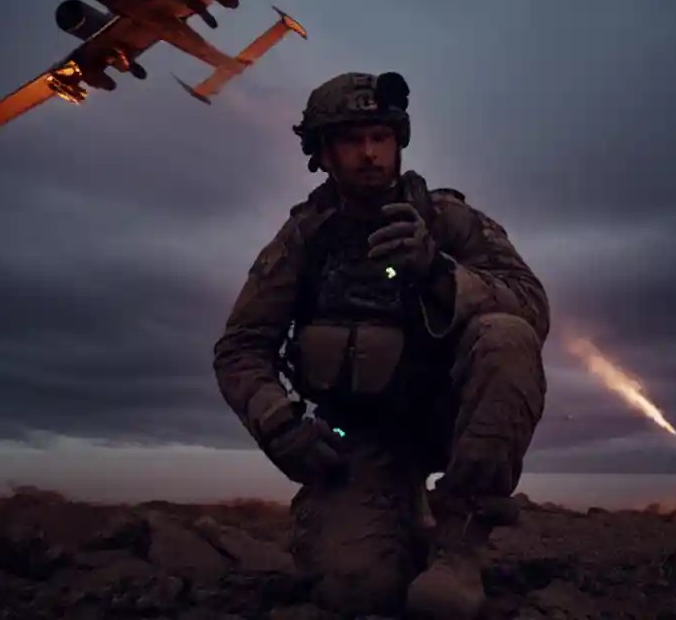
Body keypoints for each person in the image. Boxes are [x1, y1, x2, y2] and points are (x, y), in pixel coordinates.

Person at [212, 71, 549, 618]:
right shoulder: (305, 240)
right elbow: (241, 348)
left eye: (381, 137)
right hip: (362, 440)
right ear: (322, 153)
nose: (369, 153)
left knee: (506, 335)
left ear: (399, 141)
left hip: (450, 420)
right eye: (350, 140)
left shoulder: (449, 221)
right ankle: (389, 517)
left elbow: (532, 309)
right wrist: (279, 424)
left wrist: (438, 274)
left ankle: (458, 545)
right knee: (355, 590)